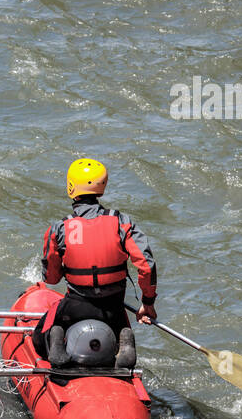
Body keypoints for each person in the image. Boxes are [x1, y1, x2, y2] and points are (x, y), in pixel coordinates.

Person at [36, 158, 157, 369]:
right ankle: (122, 337)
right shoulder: (122, 222)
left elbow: (51, 279)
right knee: (119, 321)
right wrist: (147, 303)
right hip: (113, 309)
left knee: (39, 337)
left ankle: (55, 337)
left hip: (75, 307)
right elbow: (146, 265)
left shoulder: (59, 228)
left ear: (71, 187)